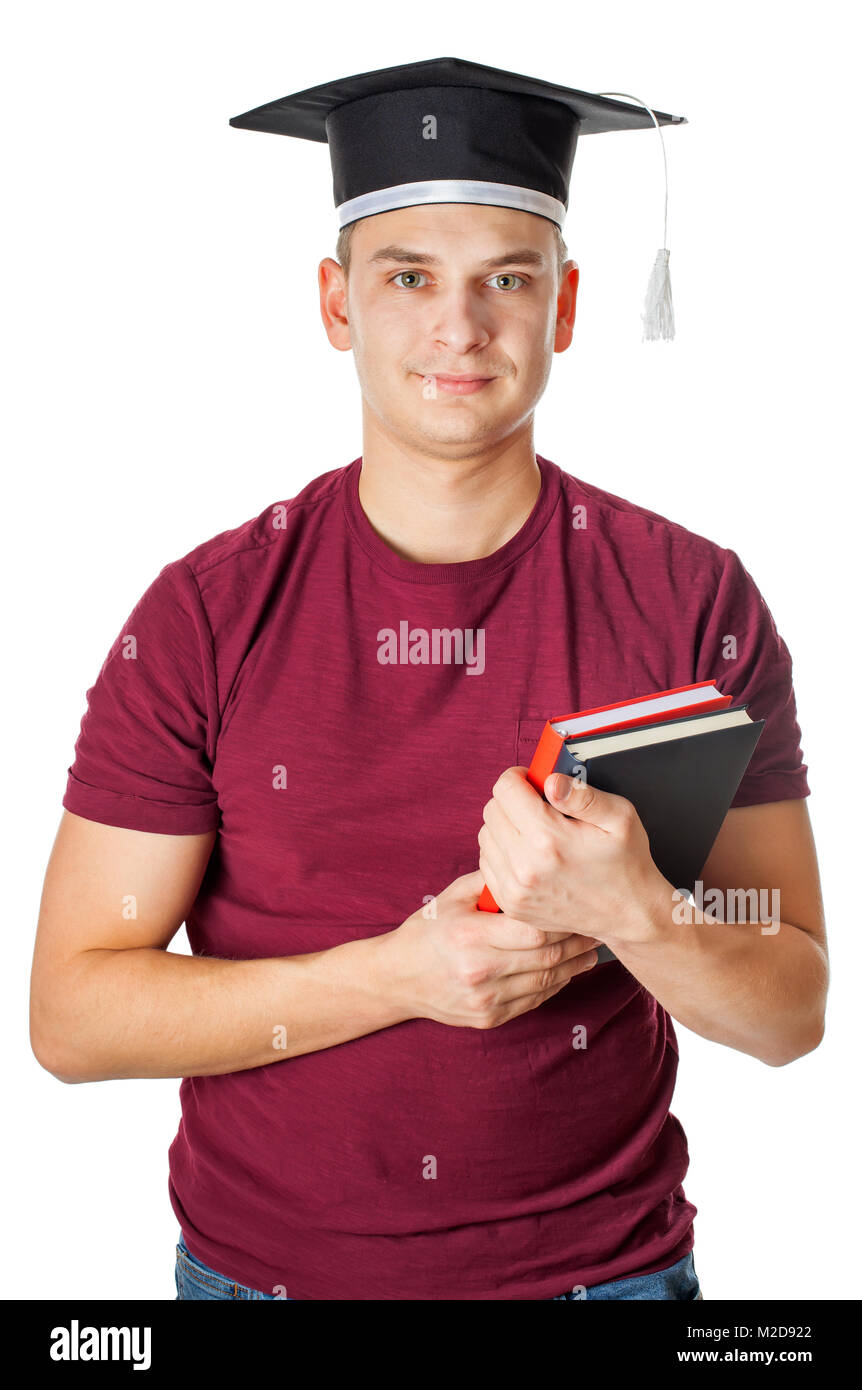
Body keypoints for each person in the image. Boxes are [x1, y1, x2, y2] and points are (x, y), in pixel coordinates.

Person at [30, 58, 827, 1302]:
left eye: (505, 279)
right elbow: (73, 1016)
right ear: (336, 305)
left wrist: (645, 911)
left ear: (562, 305)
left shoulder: (689, 598)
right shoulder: (203, 616)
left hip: (603, 1282)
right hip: (262, 1282)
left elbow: (788, 994)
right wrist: (395, 975)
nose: (459, 328)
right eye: (409, 277)